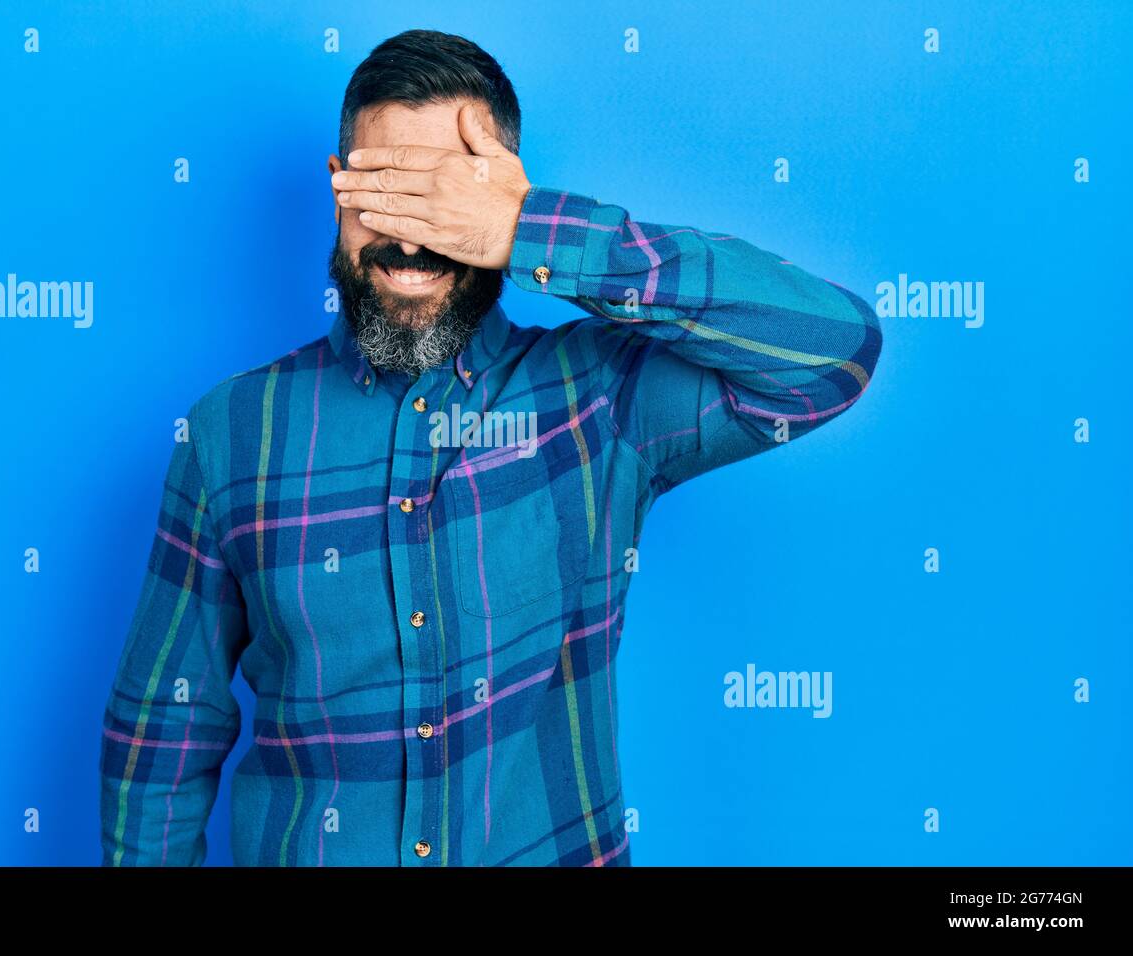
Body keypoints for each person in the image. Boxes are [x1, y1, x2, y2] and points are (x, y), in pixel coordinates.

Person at [100, 29, 882, 867]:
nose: (411, 234)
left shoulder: (599, 400)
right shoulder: (231, 433)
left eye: (443, 195)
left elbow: (833, 349)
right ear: (336, 190)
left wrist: (537, 230)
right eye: (385, 189)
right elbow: (162, 740)